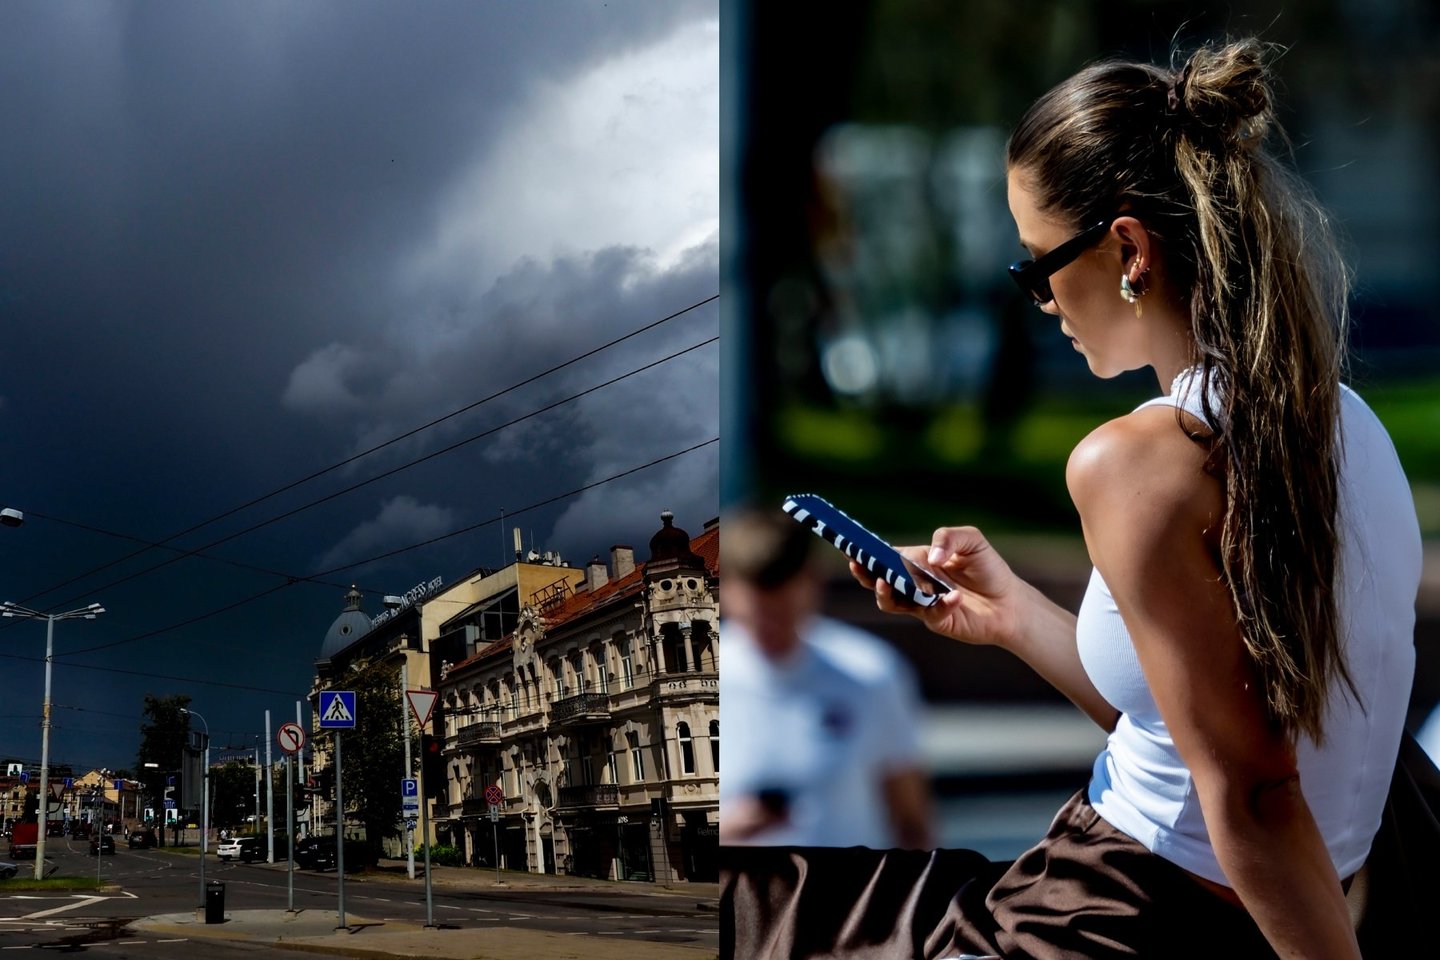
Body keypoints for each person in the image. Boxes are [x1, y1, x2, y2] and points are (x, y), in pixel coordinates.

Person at [722, 38, 1423, 960]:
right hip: (1262, 904)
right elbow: (1210, 732)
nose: (1039, 298)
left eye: (1034, 262)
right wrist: (1009, 615)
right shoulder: (1345, 423)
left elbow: (1254, 792)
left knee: (744, 911)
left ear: (1127, 247)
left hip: (1110, 912)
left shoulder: (1136, 461)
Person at [720, 504, 935, 851]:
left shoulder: (870, 672)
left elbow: (911, 820)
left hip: (851, 900)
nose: (769, 632)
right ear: (727, 592)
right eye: (756, 620)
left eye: (781, 615)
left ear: (812, 582)